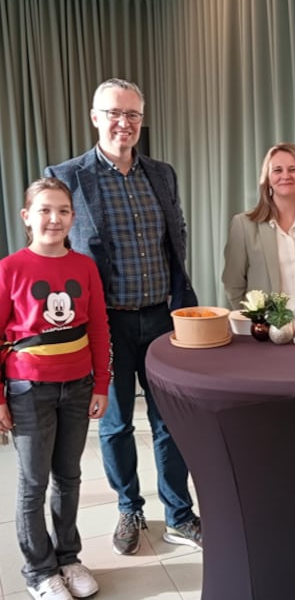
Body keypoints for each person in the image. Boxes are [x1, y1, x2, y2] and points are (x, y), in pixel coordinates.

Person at [44, 78, 202, 555]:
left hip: (162, 318)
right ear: (95, 117)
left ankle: (178, 514)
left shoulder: (162, 173)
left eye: (133, 115)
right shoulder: (67, 175)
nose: (124, 123)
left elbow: (176, 239)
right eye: (114, 113)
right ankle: (129, 508)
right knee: (114, 424)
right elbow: (57, 252)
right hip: (104, 323)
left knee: (170, 420)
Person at [0, 179, 110, 600]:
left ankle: (68, 556)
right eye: (44, 210)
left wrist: (101, 383)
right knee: (33, 483)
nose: (54, 218)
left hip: (78, 385)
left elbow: (99, 327)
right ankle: (39, 570)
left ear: (73, 218)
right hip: (29, 388)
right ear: (27, 216)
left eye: (63, 210)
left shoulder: (84, 266)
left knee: (69, 476)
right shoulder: (10, 268)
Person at [222, 143, 295, 313]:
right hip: (267, 326)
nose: (285, 176)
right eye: (277, 170)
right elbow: (233, 284)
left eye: (293, 169)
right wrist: (254, 320)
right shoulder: (243, 224)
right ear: (267, 178)